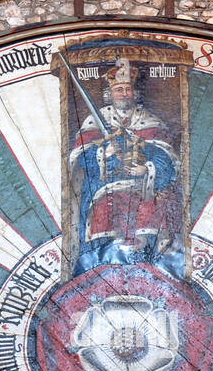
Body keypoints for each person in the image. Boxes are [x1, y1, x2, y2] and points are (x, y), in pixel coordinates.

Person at [68, 58, 182, 276]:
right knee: (102, 210)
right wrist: (103, 153)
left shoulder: (149, 121)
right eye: (119, 89)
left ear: (134, 93)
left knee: (150, 210)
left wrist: (147, 169)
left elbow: (166, 159)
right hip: (105, 188)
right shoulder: (97, 120)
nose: (124, 94)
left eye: (128, 89)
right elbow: (81, 158)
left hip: (142, 187)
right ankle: (100, 269)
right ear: (110, 94)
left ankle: (147, 268)